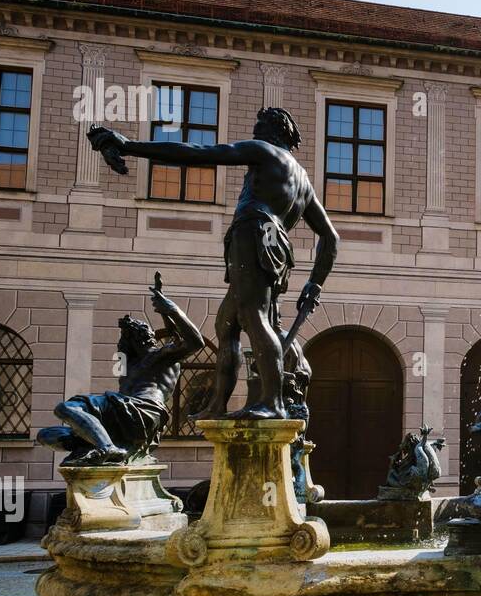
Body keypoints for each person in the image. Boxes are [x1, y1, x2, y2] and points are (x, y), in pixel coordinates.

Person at [89, 107, 338, 419]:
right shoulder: (303, 180)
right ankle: (218, 405)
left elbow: (200, 152)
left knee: (254, 318)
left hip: (254, 230)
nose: (255, 131)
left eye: (260, 125)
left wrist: (128, 145)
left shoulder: (265, 152)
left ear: (276, 130)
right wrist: (314, 283)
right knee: (227, 325)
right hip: (276, 244)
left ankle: (272, 404)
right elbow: (330, 237)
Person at [39, 282, 204, 466]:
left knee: (66, 408)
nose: (121, 342)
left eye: (125, 337)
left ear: (138, 339)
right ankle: (97, 445)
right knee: (46, 435)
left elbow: (195, 343)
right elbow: (118, 365)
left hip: (143, 411)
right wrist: (123, 341)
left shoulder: (162, 357)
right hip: (122, 414)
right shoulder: (128, 366)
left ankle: (108, 447)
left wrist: (171, 310)